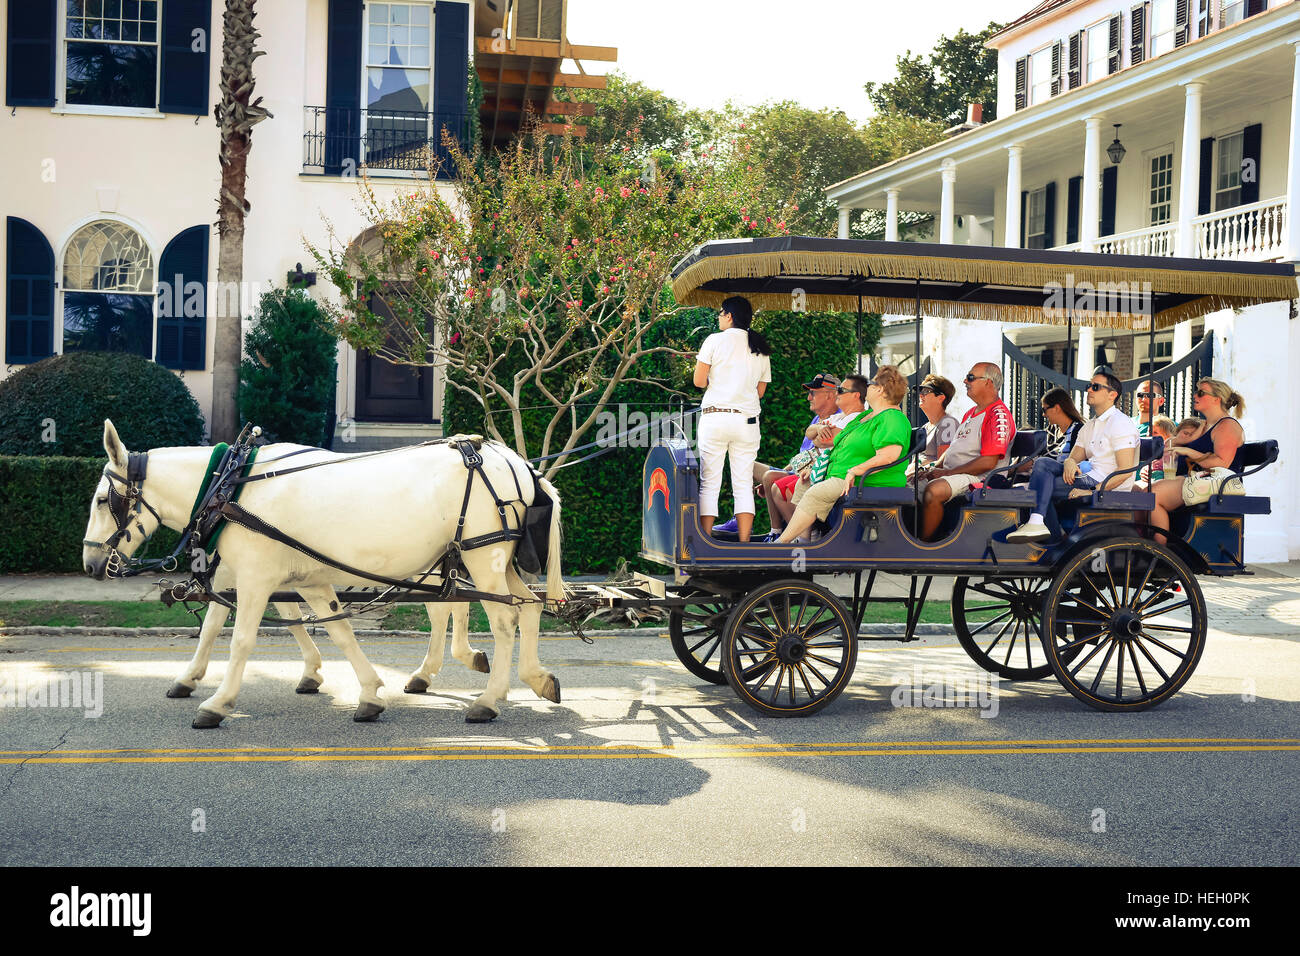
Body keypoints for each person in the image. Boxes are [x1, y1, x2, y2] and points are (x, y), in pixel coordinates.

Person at [774, 368, 912, 545]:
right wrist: (816, 467)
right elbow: (829, 442)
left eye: (871, 384)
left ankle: (781, 543)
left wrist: (855, 470)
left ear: (880, 389)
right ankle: (804, 541)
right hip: (843, 474)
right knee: (804, 484)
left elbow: (889, 455)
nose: (867, 388)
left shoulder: (892, 418)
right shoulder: (866, 417)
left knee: (816, 493)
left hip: (869, 480)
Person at [1007, 367, 1139, 541]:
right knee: (1043, 463)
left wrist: (1093, 491)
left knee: (1041, 488)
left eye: (1096, 387)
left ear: (1112, 395)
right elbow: (1075, 456)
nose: (1089, 390)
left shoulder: (1120, 423)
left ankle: (1051, 538)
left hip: (1104, 483)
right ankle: (1039, 525)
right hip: (1088, 476)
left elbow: (1126, 471)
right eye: (1089, 386)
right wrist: (1070, 462)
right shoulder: (1090, 425)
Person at [713, 373, 845, 537]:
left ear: (830, 395)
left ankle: (782, 534)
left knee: (769, 477)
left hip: (812, 476)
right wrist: (780, 474)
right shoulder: (817, 419)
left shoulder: (839, 420)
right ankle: (740, 518)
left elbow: (825, 455)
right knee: (747, 465)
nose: (808, 398)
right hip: (798, 471)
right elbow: (801, 458)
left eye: (813, 393)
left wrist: (776, 477)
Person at [693, 296, 771, 543]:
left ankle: (705, 541)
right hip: (746, 422)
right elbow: (760, 392)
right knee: (742, 481)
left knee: (709, 483)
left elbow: (698, 381)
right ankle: (745, 542)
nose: (718, 317)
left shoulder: (714, 340)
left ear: (729, 315)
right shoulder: (759, 347)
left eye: (720, 313)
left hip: (715, 418)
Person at [915, 362, 1016, 541]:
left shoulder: (998, 414)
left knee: (933, 491)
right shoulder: (971, 412)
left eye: (970, 377)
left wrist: (946, 472)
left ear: (988, 383)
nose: (965, 381)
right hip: (957, 474)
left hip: (982, 479)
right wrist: (932, 468)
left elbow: (988, 462)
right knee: (908, 487)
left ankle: (925, 546)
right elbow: (954, 448)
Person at [1147, 379, 1246, 541]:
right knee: (1140, 491)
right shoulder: (1206, 424)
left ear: (1217, 399)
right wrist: (1175, 442)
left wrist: (1188, 451)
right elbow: (1175, 443)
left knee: (1152, 496)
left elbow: (1221, 463)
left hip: (1216, 485)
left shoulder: (1227, 426)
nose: (1195, 395)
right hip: (1196, 479)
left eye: (1201, 392)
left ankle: (1160, 551)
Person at [765, 377, 865, 537]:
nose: (837, 393)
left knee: (787, 484)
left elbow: (824, 441)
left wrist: (818, 436)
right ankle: (798, 540)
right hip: (821, 469)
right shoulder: (839, 418)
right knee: (796, 483)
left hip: (836, 472)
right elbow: (810, 432)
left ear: (856, 395)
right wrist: (819, 429)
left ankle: (791, 539)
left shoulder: (857, 418)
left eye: (841, 390)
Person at [909, 374, 958, 474]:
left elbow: (943, 465)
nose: (921, 395)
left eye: (926, 391)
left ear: (941, 398)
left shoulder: (947, 424)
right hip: (914, 480)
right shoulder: (925, 427)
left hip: (926, 481)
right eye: (921, 391)